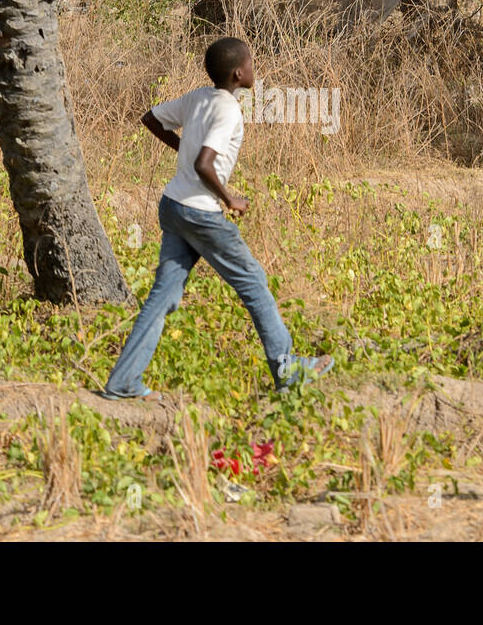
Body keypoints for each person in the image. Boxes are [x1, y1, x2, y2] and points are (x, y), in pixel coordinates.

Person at [101, 36, 333, 401]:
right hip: (199, 213)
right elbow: (203, 164)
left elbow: (151, 118)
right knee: (254, 282)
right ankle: (288, 370)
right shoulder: (228, 110)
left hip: (173, 205)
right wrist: (231, 199)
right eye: (252, 64)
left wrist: (183, 146)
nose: (255, 69)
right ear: (240, 74)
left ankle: (123, 381)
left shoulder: (197, 98)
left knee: (163, 296)